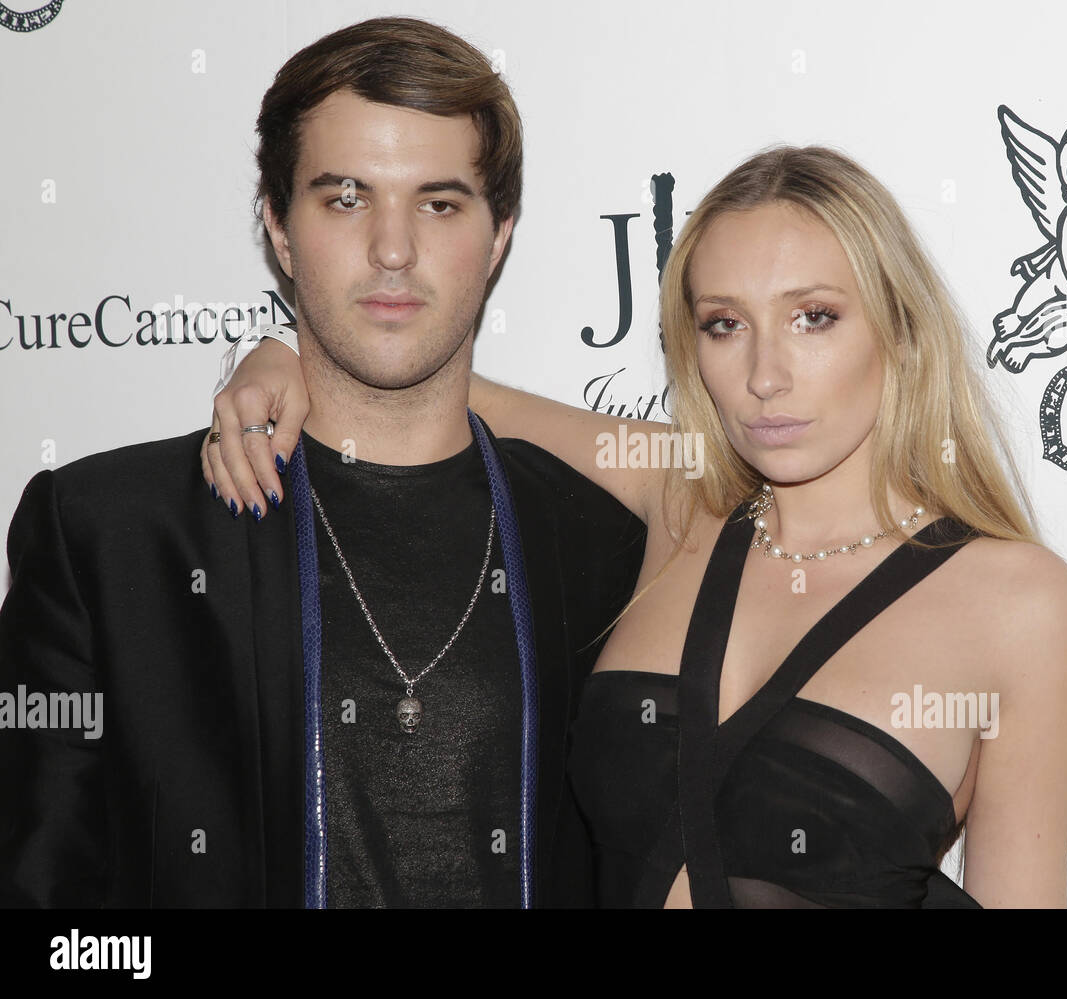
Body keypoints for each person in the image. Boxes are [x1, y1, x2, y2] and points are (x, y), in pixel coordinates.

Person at [206, 146, 1067, 908]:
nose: (764, 374)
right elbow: (437, 386)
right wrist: (281, 354)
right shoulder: (684, 502)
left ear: (900, 331)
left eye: (813, 317)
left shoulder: (1015, 601)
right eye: (724, 325)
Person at [0, 16, 644, 908]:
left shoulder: (601, 544)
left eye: (439, 202)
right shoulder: (110, 535)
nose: (392, 248)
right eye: (345, 197)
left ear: (498, 237)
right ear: (279, 227)